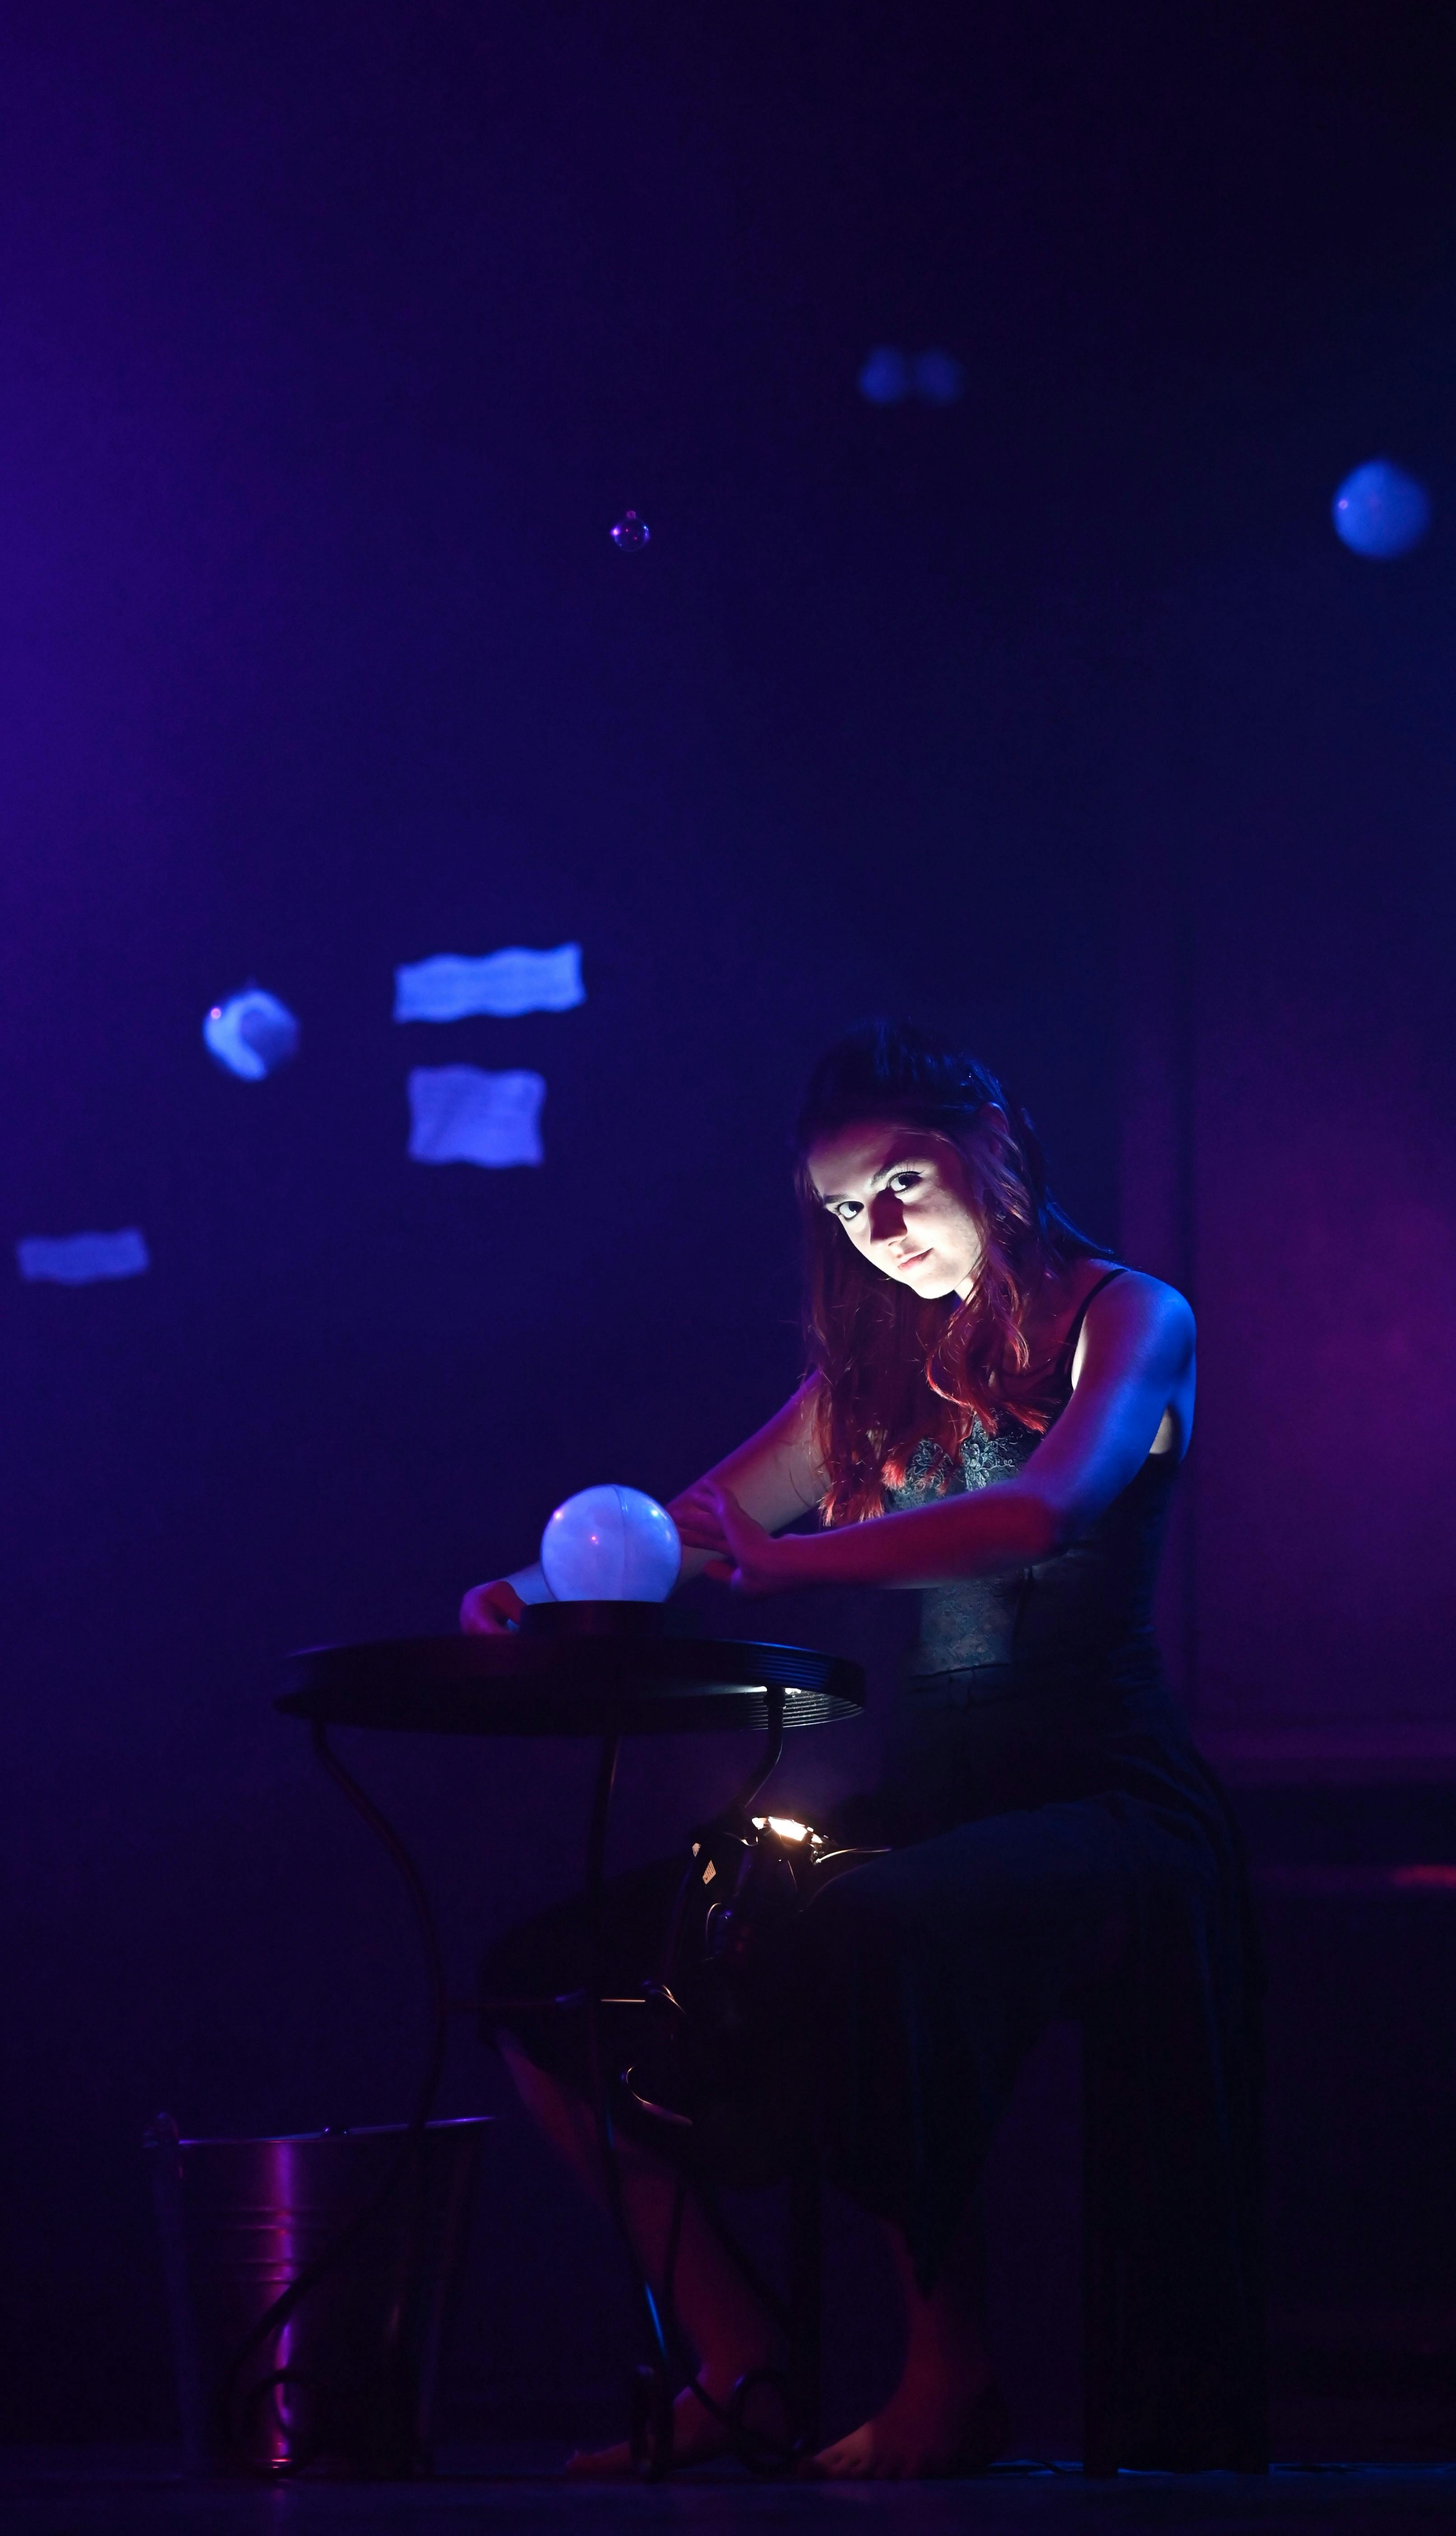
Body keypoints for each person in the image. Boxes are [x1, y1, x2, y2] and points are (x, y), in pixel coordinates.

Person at [462, 1020, 1265, 2480]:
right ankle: (742, 2359)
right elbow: (699, 1533)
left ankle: (946, 2389)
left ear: (998, 1153)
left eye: (901, 1182)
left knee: (870, 1927)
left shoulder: (1130, 1317)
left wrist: (796, 1567)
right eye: (843, 1209)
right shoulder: (871, 1381)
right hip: (938, 1803)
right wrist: (544, 1588)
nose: (877, 1231)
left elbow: (1043, 1512)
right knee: (551, 1979)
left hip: (1109, 1805)